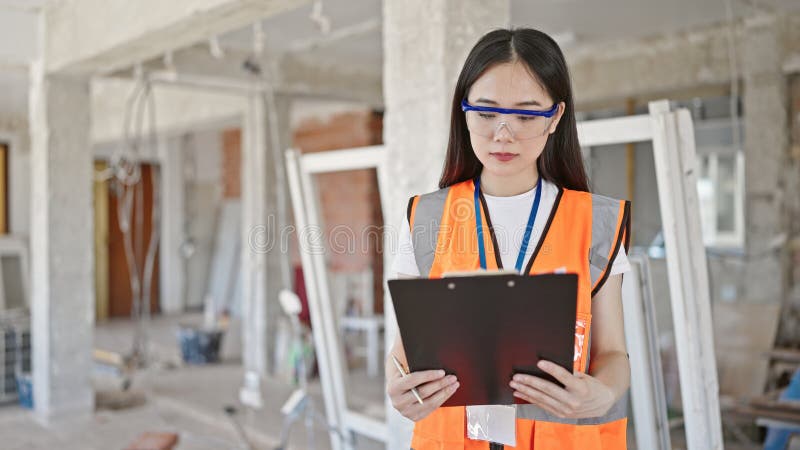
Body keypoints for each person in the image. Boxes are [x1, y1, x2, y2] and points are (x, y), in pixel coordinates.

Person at [386, 28, 632, 449]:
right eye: (485, 113)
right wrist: (398, 386)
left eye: (525, 114)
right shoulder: (427, 216)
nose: (503, 134)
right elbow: (403, 353)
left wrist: (603, 391)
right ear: (463, 113)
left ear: (555, 117)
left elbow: (614, 354)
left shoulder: (596, 221)